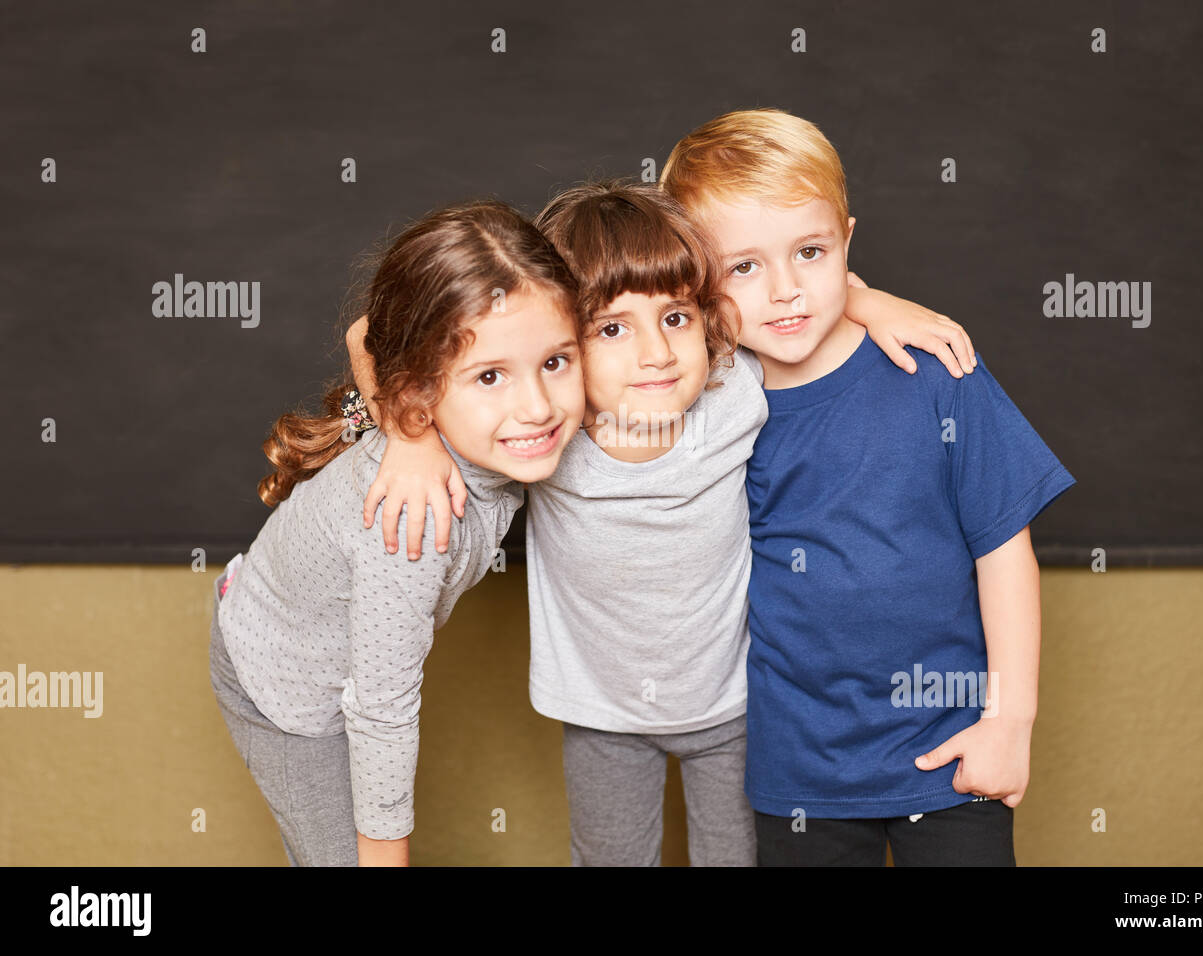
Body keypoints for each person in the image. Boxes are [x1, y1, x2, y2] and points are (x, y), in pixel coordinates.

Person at [347, 180, 976, 865]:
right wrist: (409, 435)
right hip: (604, 718)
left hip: (734, 707)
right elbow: (368, 335)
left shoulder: (733, 390)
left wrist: (865, 300)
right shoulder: (546, 432)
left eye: (675, 318)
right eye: (612, 328)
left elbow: (783, 310)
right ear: (558, 343)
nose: (657, 354)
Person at [659, 107, 1077, 866]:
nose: (786, 290)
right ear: (693, 277)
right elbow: (584, 328)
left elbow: (1004, 552)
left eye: (810, 252)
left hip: (953, 753)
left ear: (847, 240)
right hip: (799, 773)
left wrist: (1010, 722)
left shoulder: (938, 373)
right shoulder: (711, 406)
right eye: (744, 267)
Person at [209, 199, 587, 866]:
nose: (537, 407)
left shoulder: (450, 422)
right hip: (281, 679)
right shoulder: (411, 529)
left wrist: (408, 430)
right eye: (491, 376)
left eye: (557, 361)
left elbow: (363, 333)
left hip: (317, 624)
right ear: (414, 383)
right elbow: (381, 707)